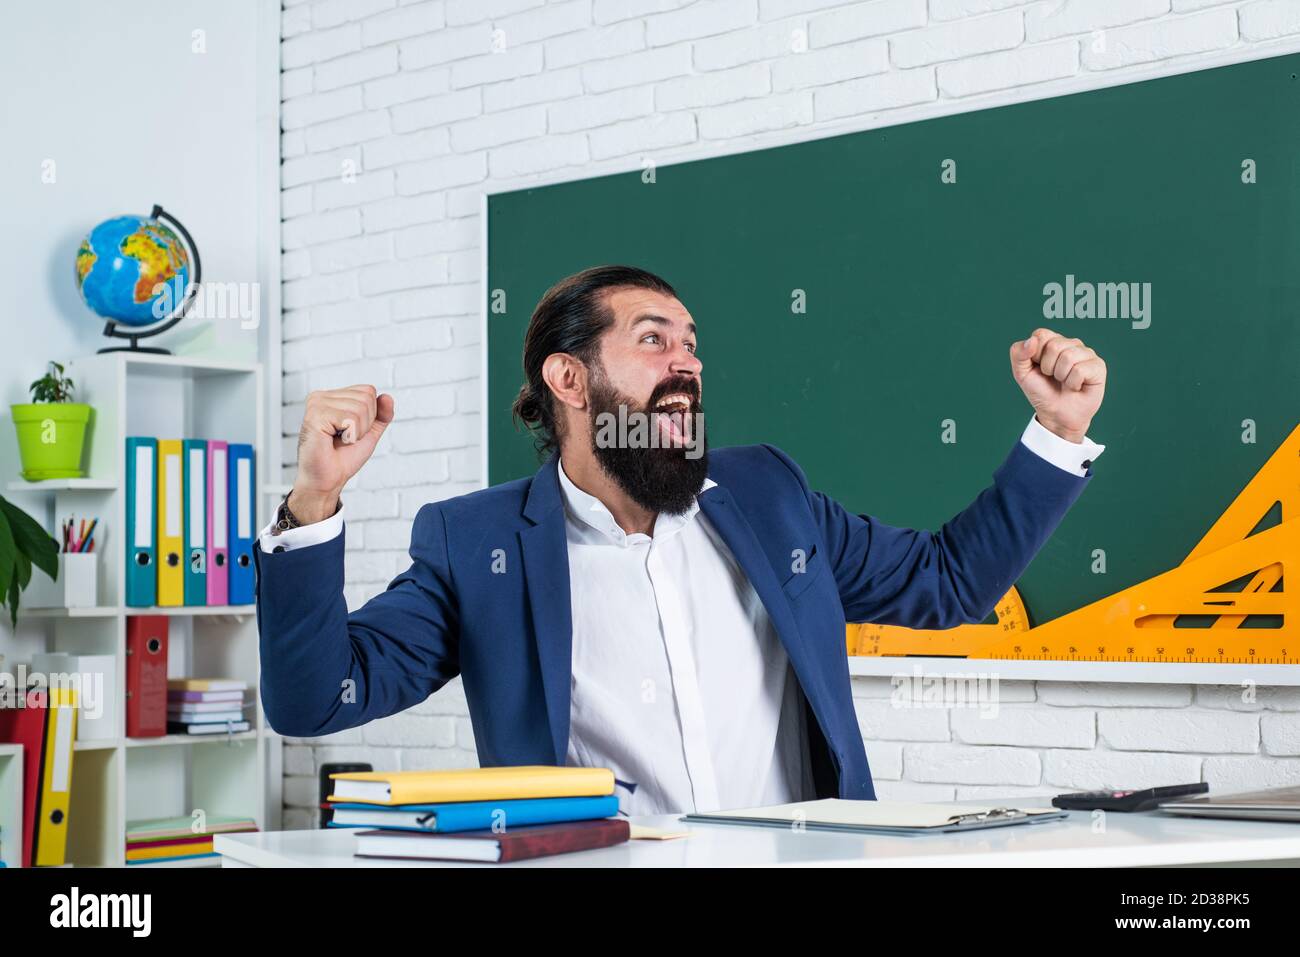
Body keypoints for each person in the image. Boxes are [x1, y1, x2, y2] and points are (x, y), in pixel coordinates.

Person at [255, 264, 1107, 815]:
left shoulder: (769, 497)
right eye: (653, 340)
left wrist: (1057, 434)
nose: (687, 362)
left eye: (692, 346)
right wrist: (314, 501)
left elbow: (950, 583)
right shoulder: (476, 545)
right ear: (568, 377)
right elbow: (319, 697)